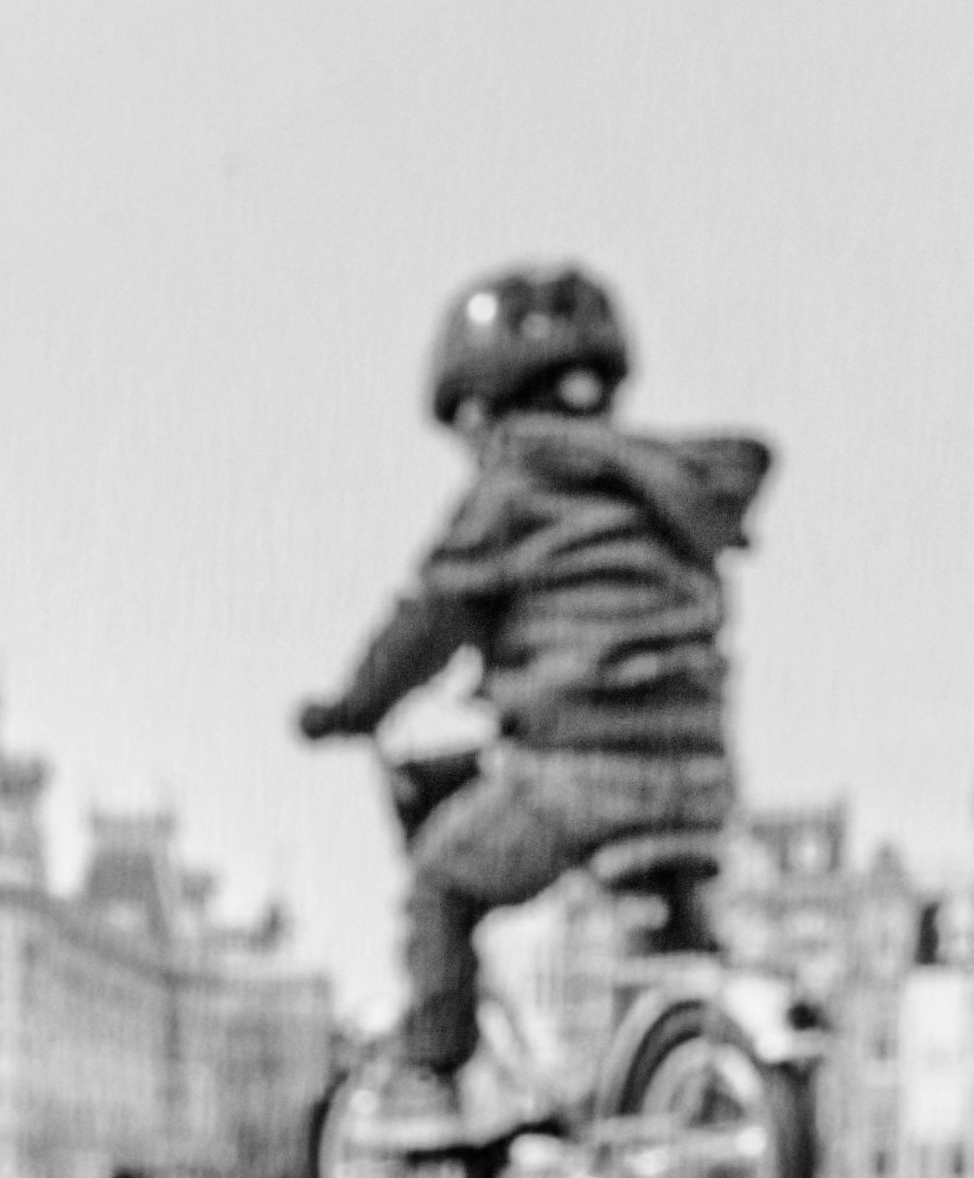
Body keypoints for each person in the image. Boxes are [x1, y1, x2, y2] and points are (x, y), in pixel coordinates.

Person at [296, 265, 772, 1114]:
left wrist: (351, 708)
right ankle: (670, 1093)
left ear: (486, 411)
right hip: (698, 777)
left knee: (441, 879)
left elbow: (428, 621)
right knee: (669, 948)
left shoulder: (515, 492)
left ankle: (430, 1083)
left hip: (576, 771)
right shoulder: (662, 492)